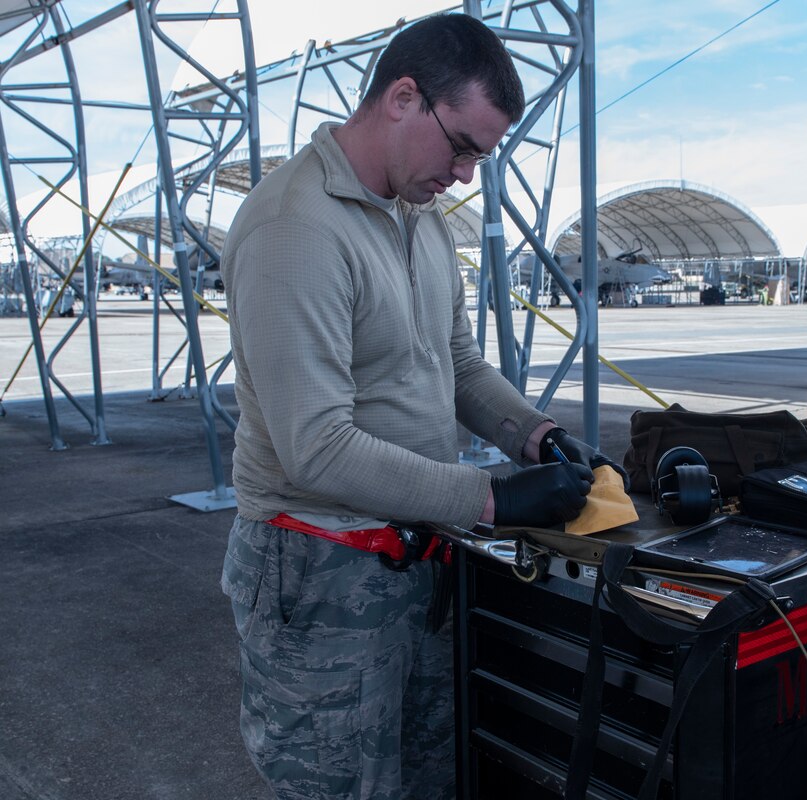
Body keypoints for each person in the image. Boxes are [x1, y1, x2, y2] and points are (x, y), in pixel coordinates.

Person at [219, 14, 625, 800]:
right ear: (403, 98)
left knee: (435, 778)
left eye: (481, 156)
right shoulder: (294, 227)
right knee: (341, 787)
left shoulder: (420, 221)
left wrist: (538, 439)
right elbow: (319, 449)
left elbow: (458, 366)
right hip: (321, 570)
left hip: (422, 556)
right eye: (464, 146)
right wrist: (492, 499)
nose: (467, 174)